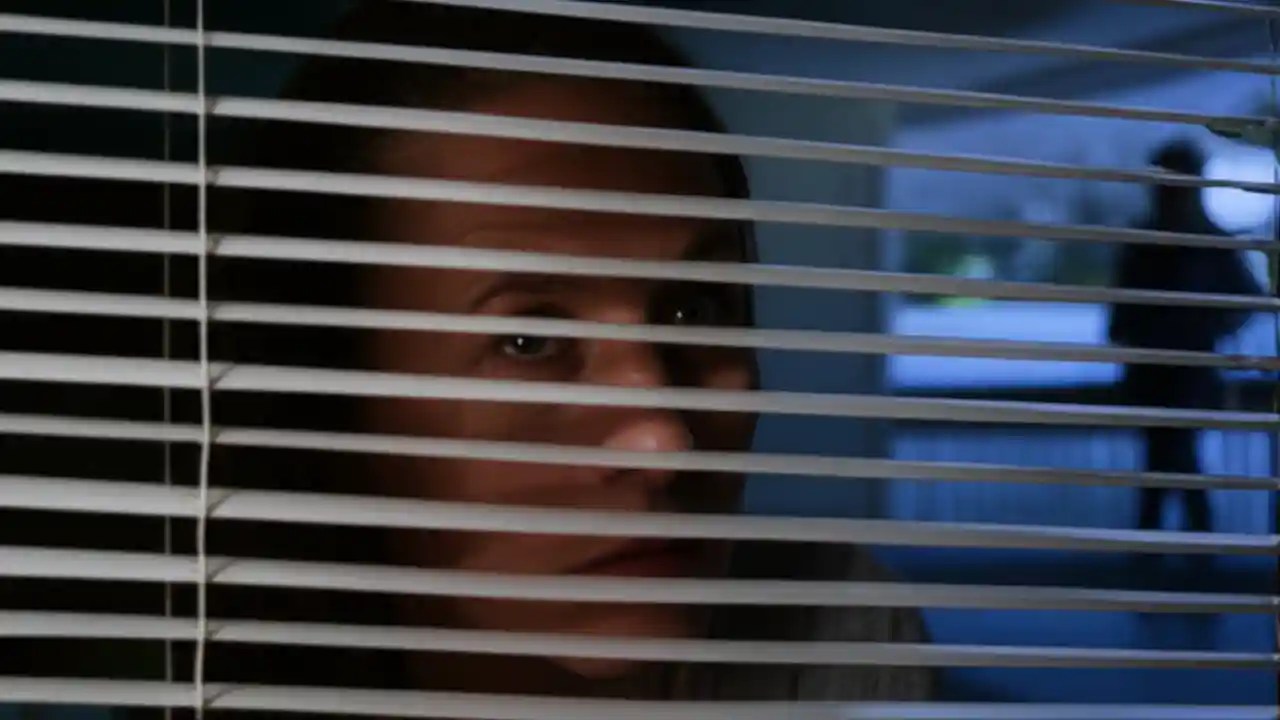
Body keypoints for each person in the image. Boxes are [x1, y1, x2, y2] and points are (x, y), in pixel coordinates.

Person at [201, 0, 934, 705]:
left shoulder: (836, 647)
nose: (664, 444)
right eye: (528, 341)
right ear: (332, 393)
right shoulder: (207, 680)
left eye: (692, 309)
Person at [1108, 140, 1263, 534]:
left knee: (1170, 457)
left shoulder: (1208, 244)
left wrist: (1209, 326)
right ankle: (1183, 549)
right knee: (1169, 457)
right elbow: (1121, 314)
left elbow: (1247, 300)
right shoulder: (1148, 243)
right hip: (1156, 371)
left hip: (1188, 370)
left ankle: (1173, 549)